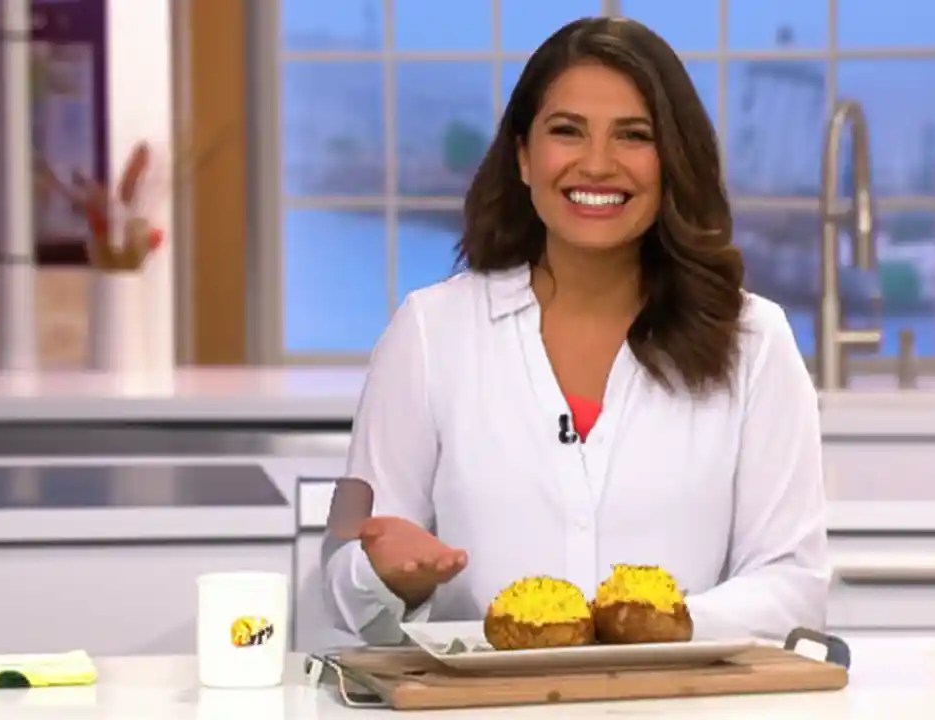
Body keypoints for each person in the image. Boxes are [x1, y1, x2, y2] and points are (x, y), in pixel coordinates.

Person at [321, 16, 829, 647]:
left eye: (633, 136)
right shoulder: (428, 333)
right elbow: (341, 569)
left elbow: (793, 581)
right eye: (567, 132)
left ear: (673, 161)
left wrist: (658, 624)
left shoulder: (755, 342)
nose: (596, 164)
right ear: (524, 156)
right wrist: (385, 574)